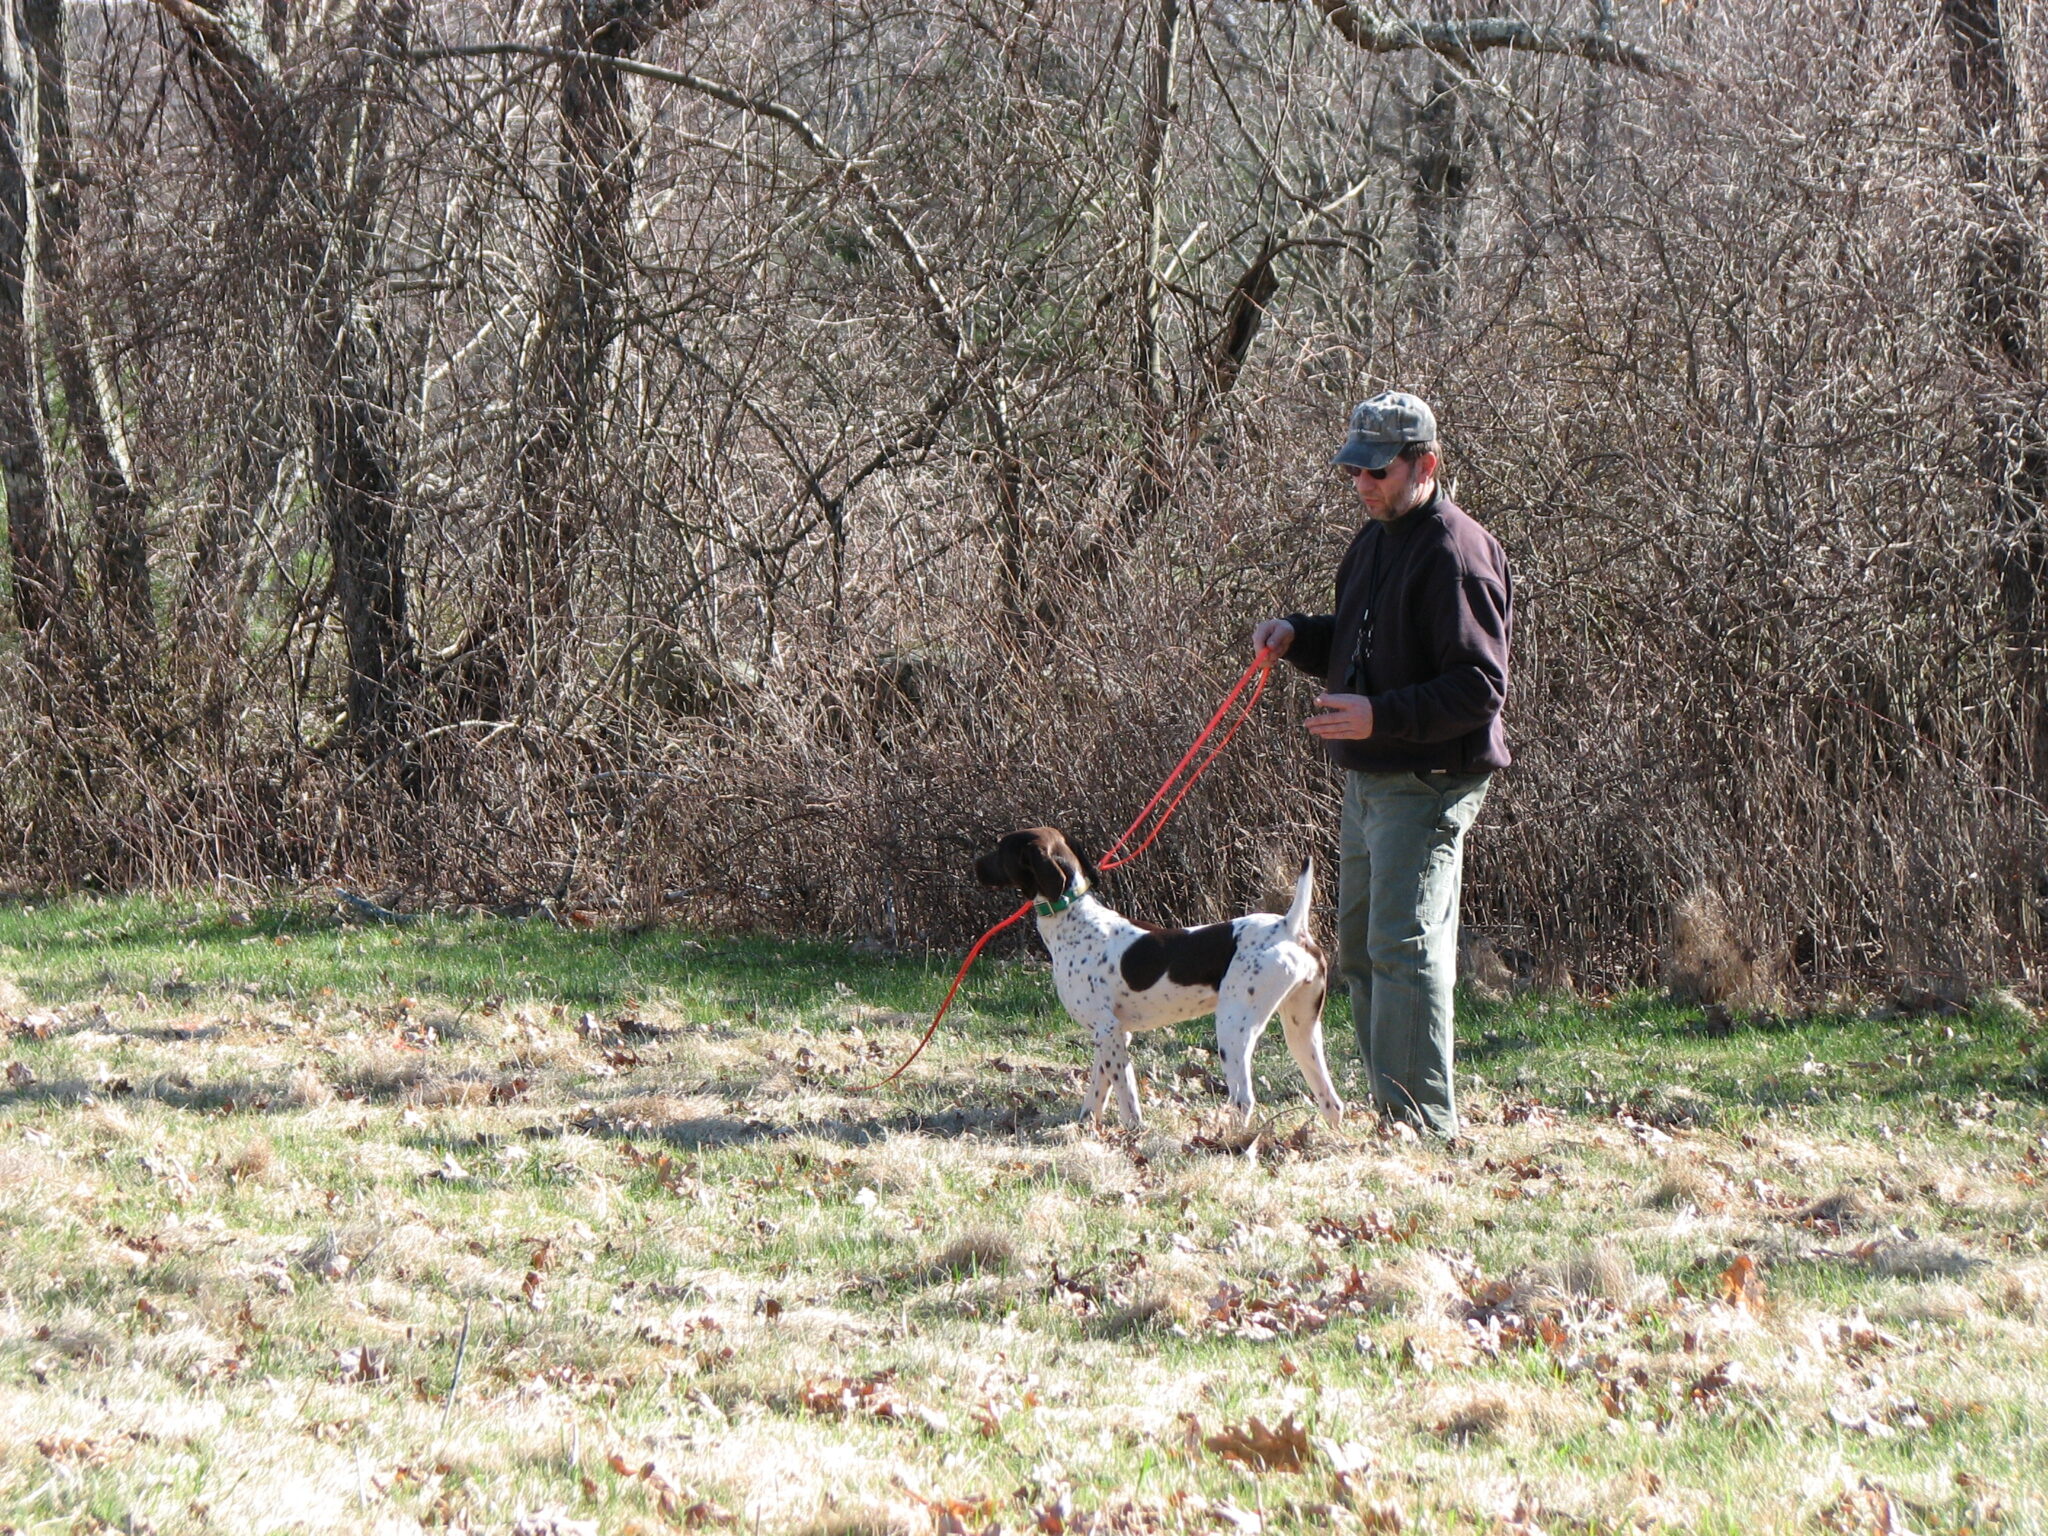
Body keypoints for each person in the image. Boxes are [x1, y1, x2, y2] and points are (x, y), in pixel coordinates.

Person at [1251, 392, 1511, 1139]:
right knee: (1364, 951)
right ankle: (1390, 1115)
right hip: (1371, 778)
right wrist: (1297, 637)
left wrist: (1379, 715)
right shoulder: (1373, 540)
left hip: (1428, 782)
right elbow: (1364, 640)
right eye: (1353, 469)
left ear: (1424, 465)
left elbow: (1480, 688)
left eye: (1376, 469)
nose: (1361, 483)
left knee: (1404, 949)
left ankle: (1423, 1127)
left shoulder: (1456, 554)